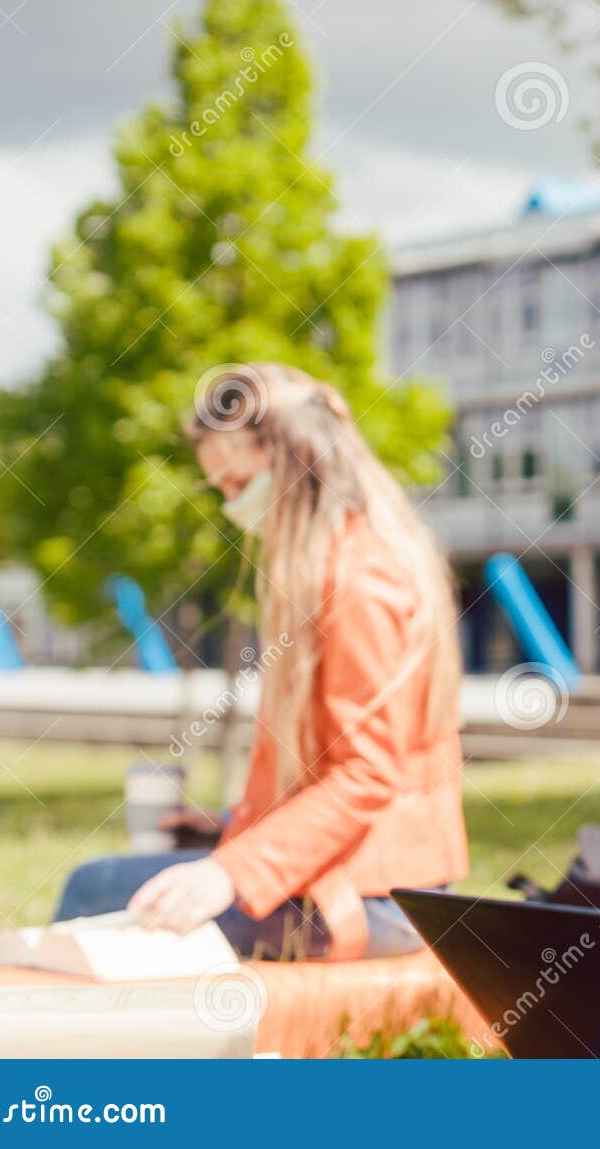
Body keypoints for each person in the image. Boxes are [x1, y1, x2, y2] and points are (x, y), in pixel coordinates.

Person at [53, 363, 469, 961]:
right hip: (370, 883)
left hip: (377, 900)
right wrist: (229, 825)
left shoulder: (358, 581)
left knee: (92, 891)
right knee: (121, 885)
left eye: (236, 483)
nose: (230, 505)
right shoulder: (352, 560)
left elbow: (367, 775)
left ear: (295, 462)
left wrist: (229, 872)